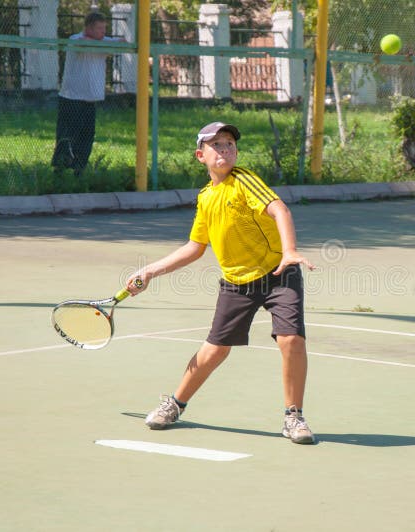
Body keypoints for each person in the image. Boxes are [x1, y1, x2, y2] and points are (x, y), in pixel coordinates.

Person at [125, 122, 318, 444]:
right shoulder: (206, 197)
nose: (225, 149)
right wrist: (149, 272)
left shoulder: (245, 180)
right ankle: (175, 403)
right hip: (236, 284)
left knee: (291, 340)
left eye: (229, 144)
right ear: (201, 155)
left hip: (278, 272)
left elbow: (279, 209)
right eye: (217, 145)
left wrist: (290, 252)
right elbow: (194, 247)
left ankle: (293, 416)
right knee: (214, 350)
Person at [51, 12, 124, 176]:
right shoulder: (75, 39)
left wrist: (107, 42)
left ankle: (79, 169)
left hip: (90, 99)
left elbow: (123, 43)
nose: (103, 32)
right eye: (99, 28)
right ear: (88, 28)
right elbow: (83, 42)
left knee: (86, 136)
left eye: (104, 28)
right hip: (71, 97)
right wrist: (105, 44)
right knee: (67, 135)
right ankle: (60, 170)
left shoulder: (103, 41)